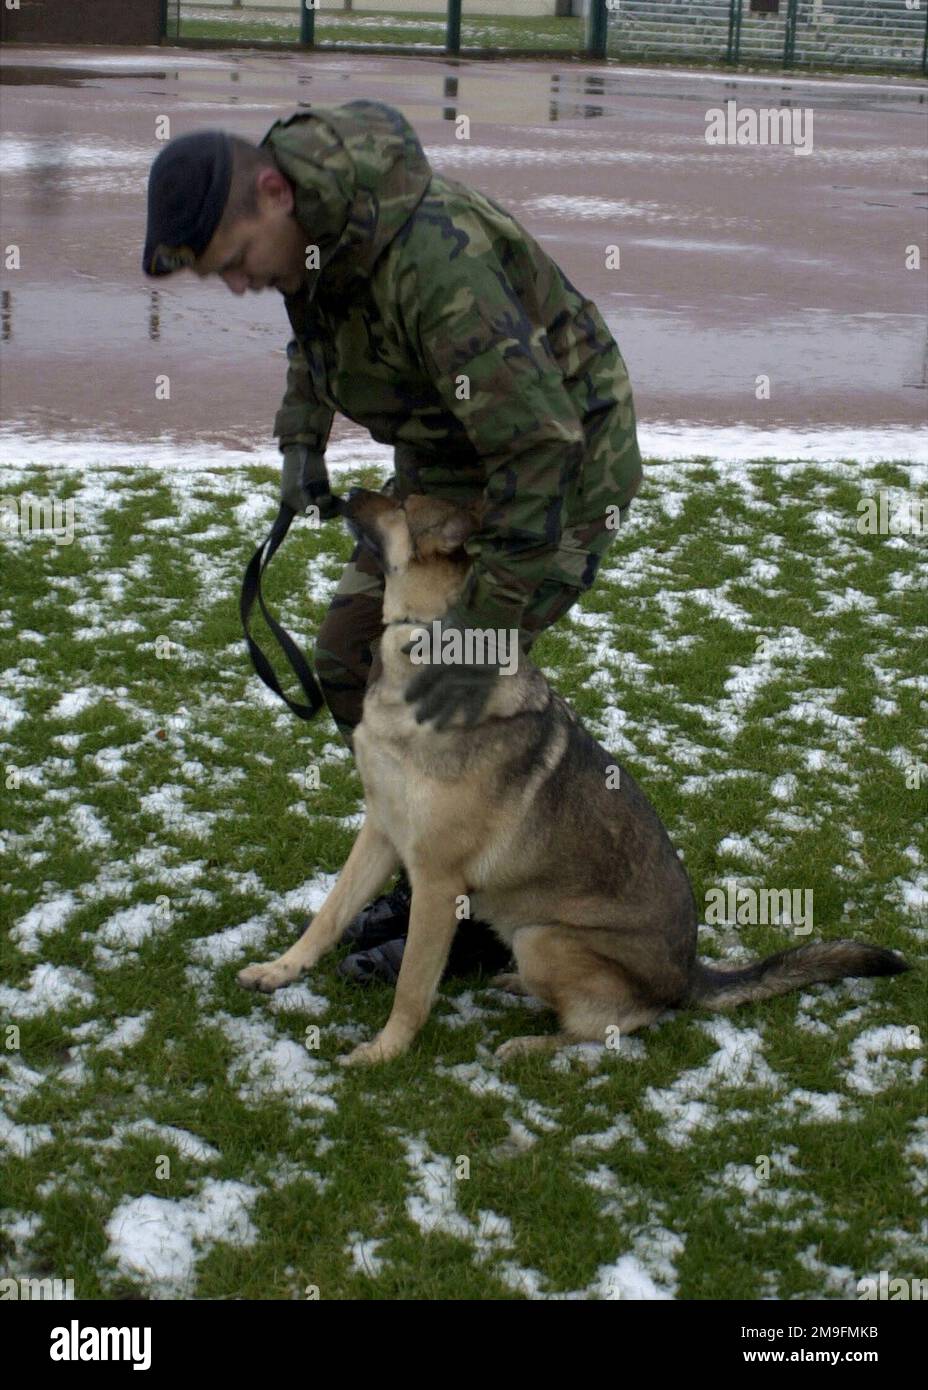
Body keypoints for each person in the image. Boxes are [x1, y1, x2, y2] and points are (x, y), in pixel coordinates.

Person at [142, 98, 643, 985]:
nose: (237, 284)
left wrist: (476, 634)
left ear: (272, 191)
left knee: (461, 703)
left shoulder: (431, 262)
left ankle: (478, 903)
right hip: (450, 468)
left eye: (234, 262)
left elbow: (537, 444)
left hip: (555, 482)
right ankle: (433, 869)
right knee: (349, 664)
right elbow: (314, 340)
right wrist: (302, 444)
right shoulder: (313, 244)